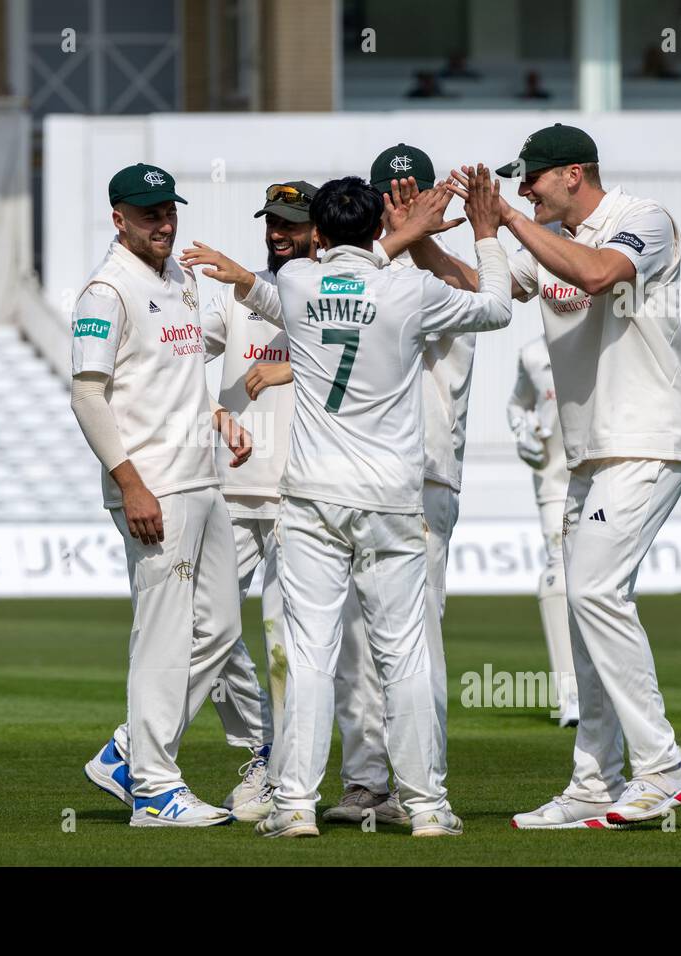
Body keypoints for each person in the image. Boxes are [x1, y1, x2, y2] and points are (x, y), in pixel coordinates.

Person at [184, 168, 512, 838]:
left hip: (311, 498)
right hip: (392, 497)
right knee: (405, 654)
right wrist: (484, 234)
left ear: (319, 235)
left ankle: (295, 806)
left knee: (309, 651)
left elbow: (275, 289)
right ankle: (426, 809)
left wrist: (244, 272)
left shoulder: (301, 283)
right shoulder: (412, 288)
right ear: (375, 229)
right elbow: (498, 308)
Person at [448, 123, 681, 828]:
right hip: (590, 452)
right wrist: (434, 239)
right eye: (517, 182)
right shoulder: (544, 233)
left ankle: (663, 768)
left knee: (591, 588)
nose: (522, 188)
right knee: (582, 605)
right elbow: (484, 292)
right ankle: (594, 781)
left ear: (572, 174)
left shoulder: (642, 220)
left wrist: (511, 221)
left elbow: (595, 274)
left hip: (650, 435)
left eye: (530, 177)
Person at [74, 163, 253, 828]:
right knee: (164, 637)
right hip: (155, 488)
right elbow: (87, 394)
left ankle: (129, 752)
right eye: (149, 214)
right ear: (118, 217)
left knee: (223, 630)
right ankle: (152, 788)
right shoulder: (105, 291)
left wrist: (217, 420)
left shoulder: (180, 277)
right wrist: (130, 482)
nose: (165, 224)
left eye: (169, 211)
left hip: (202, 476)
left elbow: (176, 382)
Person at [320, 143, 482, 827]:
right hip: (353, 476)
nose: (399, 205)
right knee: (353, 642)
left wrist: (417, 240)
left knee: (413, 642)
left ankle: (424, 790)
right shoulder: (361, 273)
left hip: (421, 477)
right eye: (390, 194)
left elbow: (482, 295)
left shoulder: (436, 277)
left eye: (411, 194)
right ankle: (365, 782)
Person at [194, 181, 319, 822]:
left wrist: (287, 368)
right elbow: (177, 361)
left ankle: (281, 770)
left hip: (302, 492)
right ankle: (257, 747)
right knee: (206, 628)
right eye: (272, 221)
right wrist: (217, 412)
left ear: (318, 229)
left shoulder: (330, 295)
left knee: (282, 639)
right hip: (232, 488)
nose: (278, 232)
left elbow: (354, 358)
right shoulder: (236, 298)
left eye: (291, 223)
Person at [507, 335, 579, 727]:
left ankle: (604, 691)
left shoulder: (608, 339)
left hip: (602, 479)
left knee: (597, 583)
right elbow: (518, 405)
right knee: (559, 572)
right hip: (554, 484)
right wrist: (523, 433)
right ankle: (571, 697)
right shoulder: (533, 353)